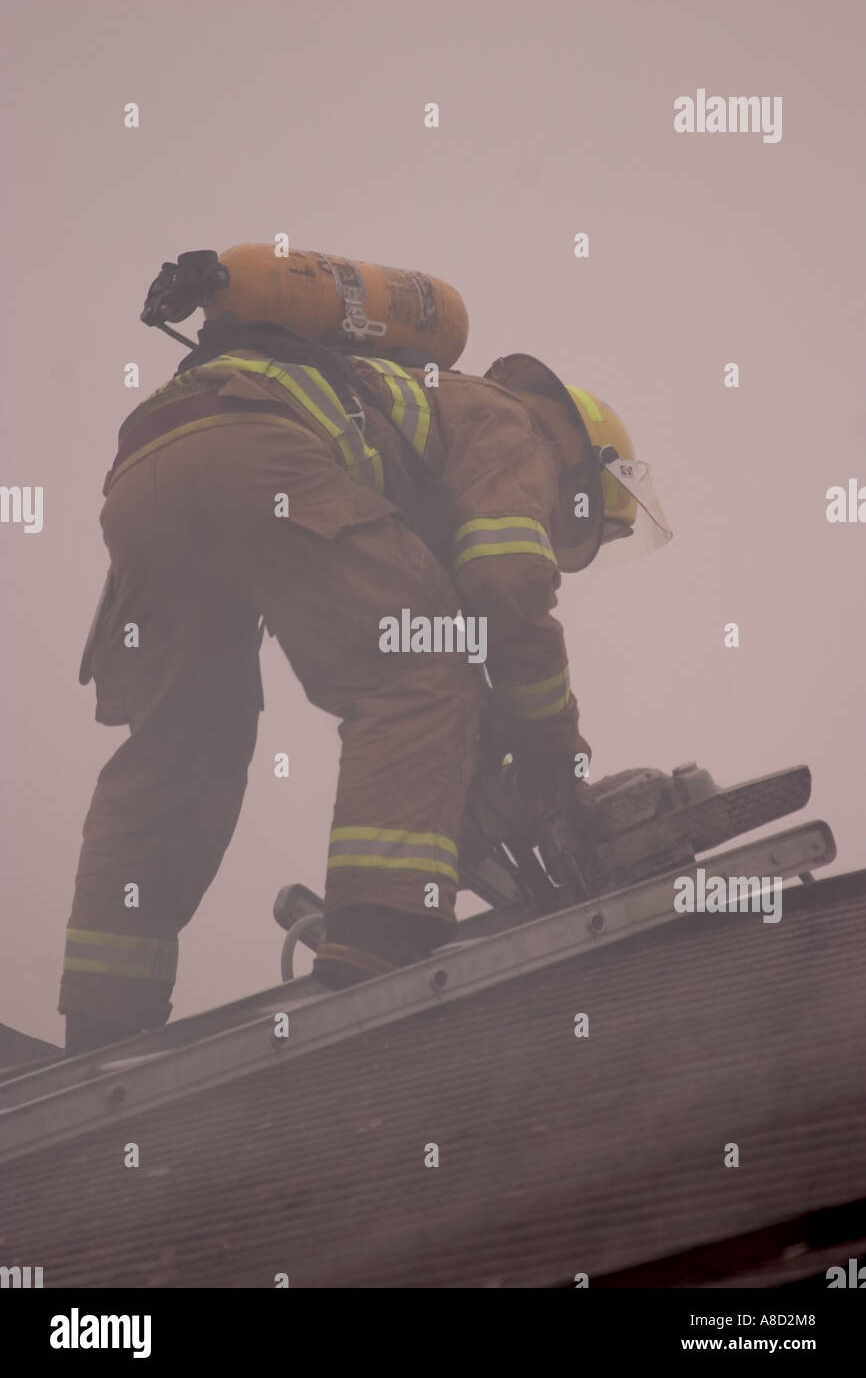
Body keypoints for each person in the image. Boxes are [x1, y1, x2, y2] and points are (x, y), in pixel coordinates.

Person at [60, 308, 669, 1053]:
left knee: (183, 748)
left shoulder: (412, 410)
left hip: (149, 463)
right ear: (583, 465)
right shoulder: (516, 422)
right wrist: (551, 747)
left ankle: (104, 1012)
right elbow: (507, 581)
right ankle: (378, 934)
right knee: (420, 661)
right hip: (263, 450)